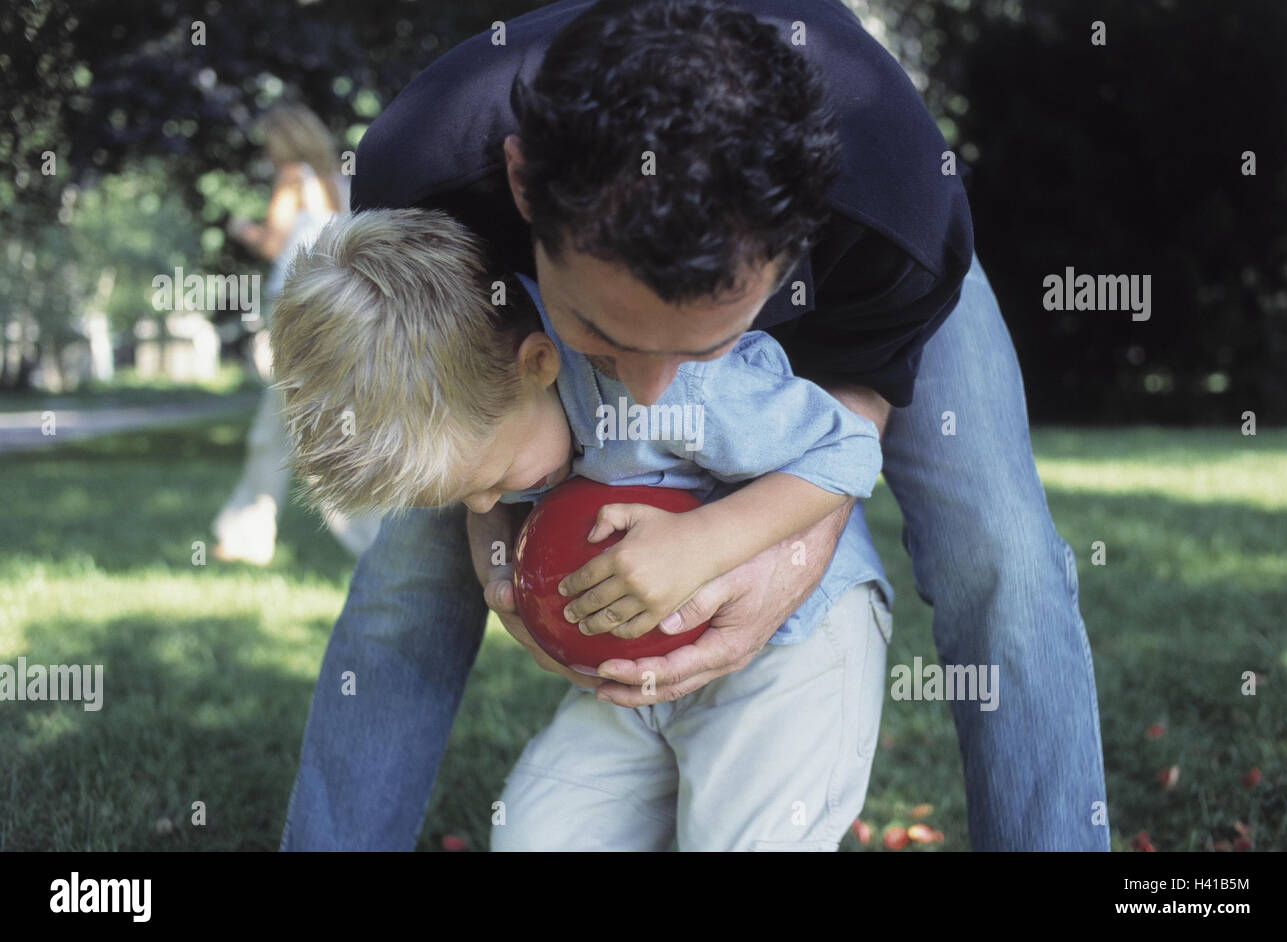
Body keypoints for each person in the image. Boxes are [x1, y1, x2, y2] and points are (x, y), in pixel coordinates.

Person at [281, 0, 1108, 851]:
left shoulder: (893, 209)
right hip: (527, 350)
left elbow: (849, 421)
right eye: (602, 335)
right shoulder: (423, 175)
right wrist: (499, 538)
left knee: (1000, 547)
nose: (651, 392)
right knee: (412, 568)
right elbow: (461, 402)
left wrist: (771, 548)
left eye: (701, 348)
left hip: (859, 282)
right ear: (523, 186)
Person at [270, 206, 894, 849]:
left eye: (493, 478)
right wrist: (499, 564)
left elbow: (846, 450)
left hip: (789, 651)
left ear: (539, 363)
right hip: (639, 685)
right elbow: (489, 496)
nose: (486, 504)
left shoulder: (672, 386)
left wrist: (704, 545)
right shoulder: (495, 397)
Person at [215, 103, 381, 565]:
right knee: (296, 420)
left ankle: (368, 538)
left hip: (293, 305)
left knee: (297, 424)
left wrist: (241, 228)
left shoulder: (292, 176)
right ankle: (247, 533)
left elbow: (273, 242)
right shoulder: (341, 183)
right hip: (334, 305)